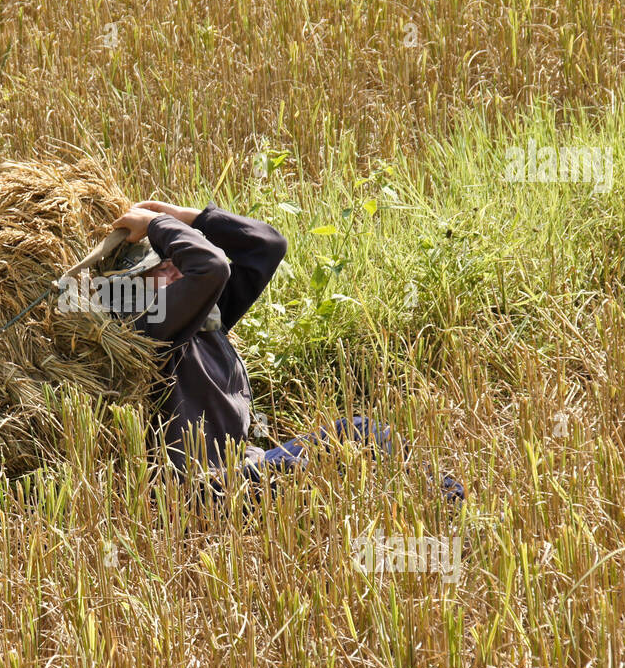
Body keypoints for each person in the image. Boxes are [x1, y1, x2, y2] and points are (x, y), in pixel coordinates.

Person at [106, 199, 464, 502]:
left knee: (364, 432)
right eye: (162, 270)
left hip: (245, 468)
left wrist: (188, 217)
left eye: (176, 265)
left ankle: (439, 501)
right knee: (339, 466)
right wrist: (157, 224)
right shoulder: (146, 327)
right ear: (133, 286)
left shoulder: (207, 320)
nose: (177, 274)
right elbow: (210, 266)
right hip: (208, 489)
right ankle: (433, 507)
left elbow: (266, 245)